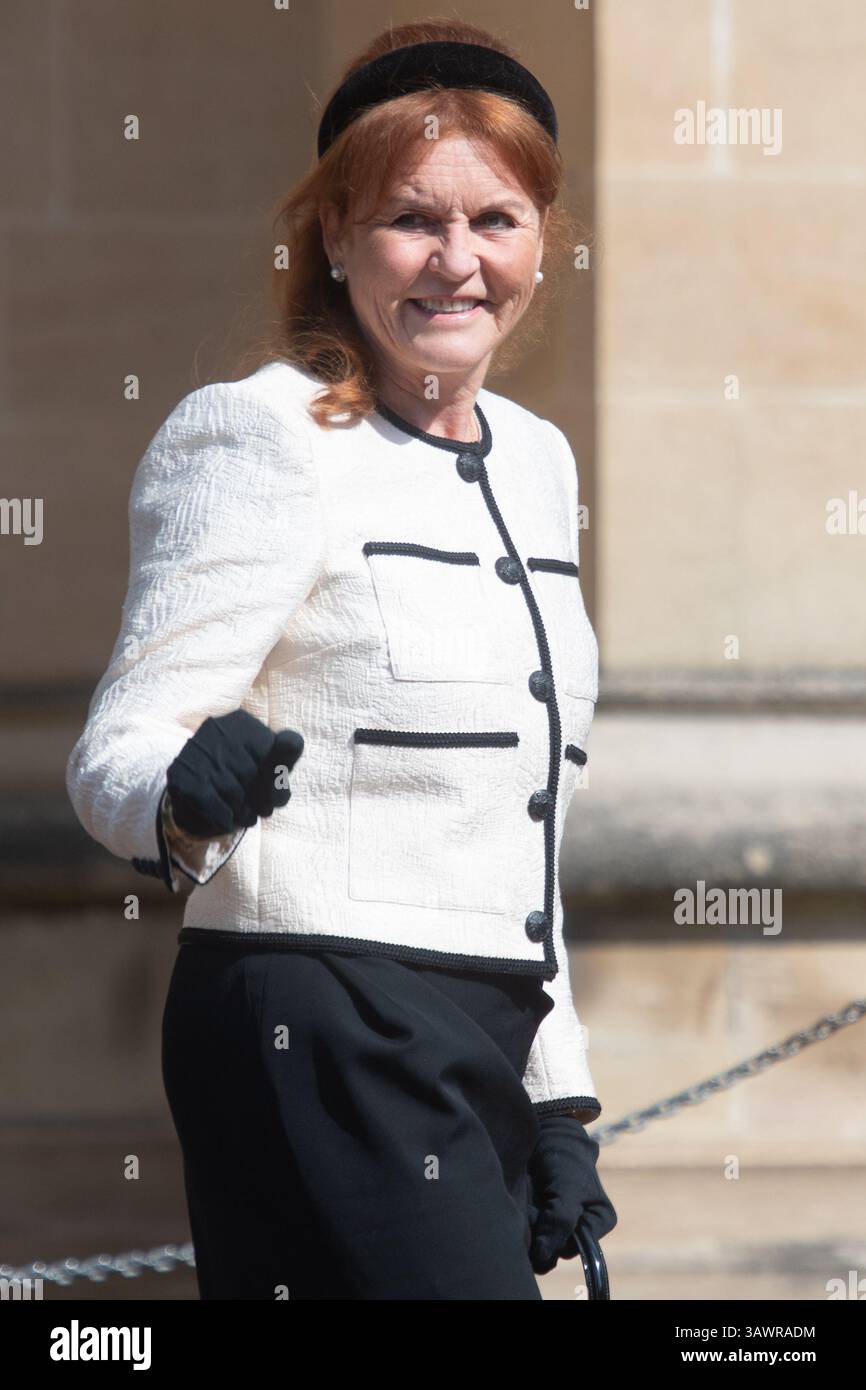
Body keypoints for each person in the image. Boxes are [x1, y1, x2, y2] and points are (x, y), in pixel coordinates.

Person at [66, 18, 617, 1300]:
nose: (456, 260)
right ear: (332, 236)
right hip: (316, 1014)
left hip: (481, 1027)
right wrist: (182, 793)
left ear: (541, 238)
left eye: (495, 220)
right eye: (410, 220)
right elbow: (115, 754)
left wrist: (556, 1098)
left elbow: (520, 818)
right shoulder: (256, 436)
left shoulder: (539, 460)